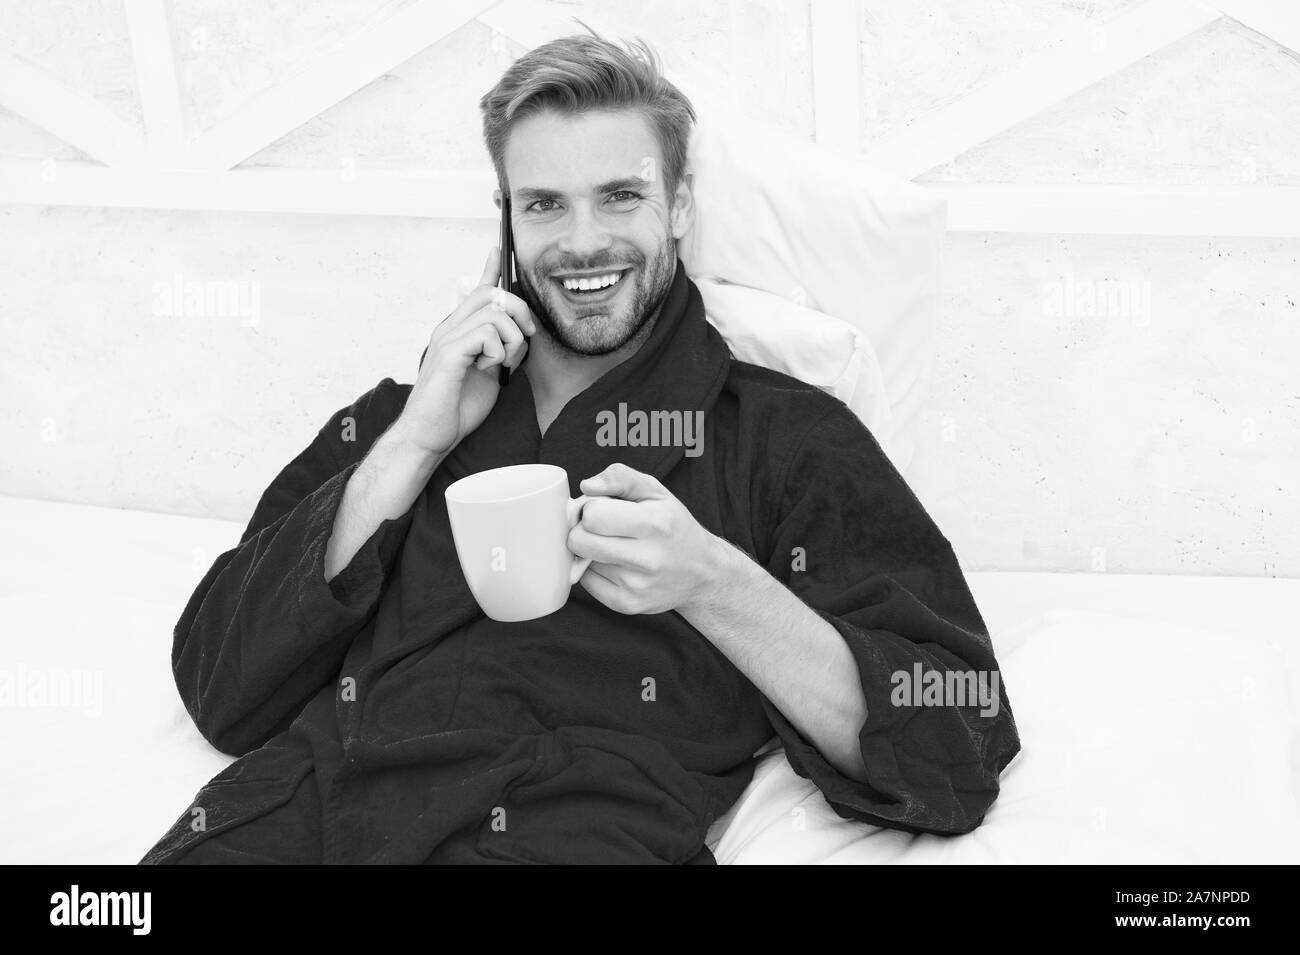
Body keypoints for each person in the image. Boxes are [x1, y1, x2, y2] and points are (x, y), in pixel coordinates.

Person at [140, 28, 1020, 865]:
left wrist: (713, 584)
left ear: (678, 206)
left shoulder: (786, 436)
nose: (584, 240)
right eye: (546, 205)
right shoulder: (404, 419)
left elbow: (959, 727)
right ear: (507, 223)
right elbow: (219, 681)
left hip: (575, 834)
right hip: (310, 817)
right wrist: (415, 443)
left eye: (622, 195)